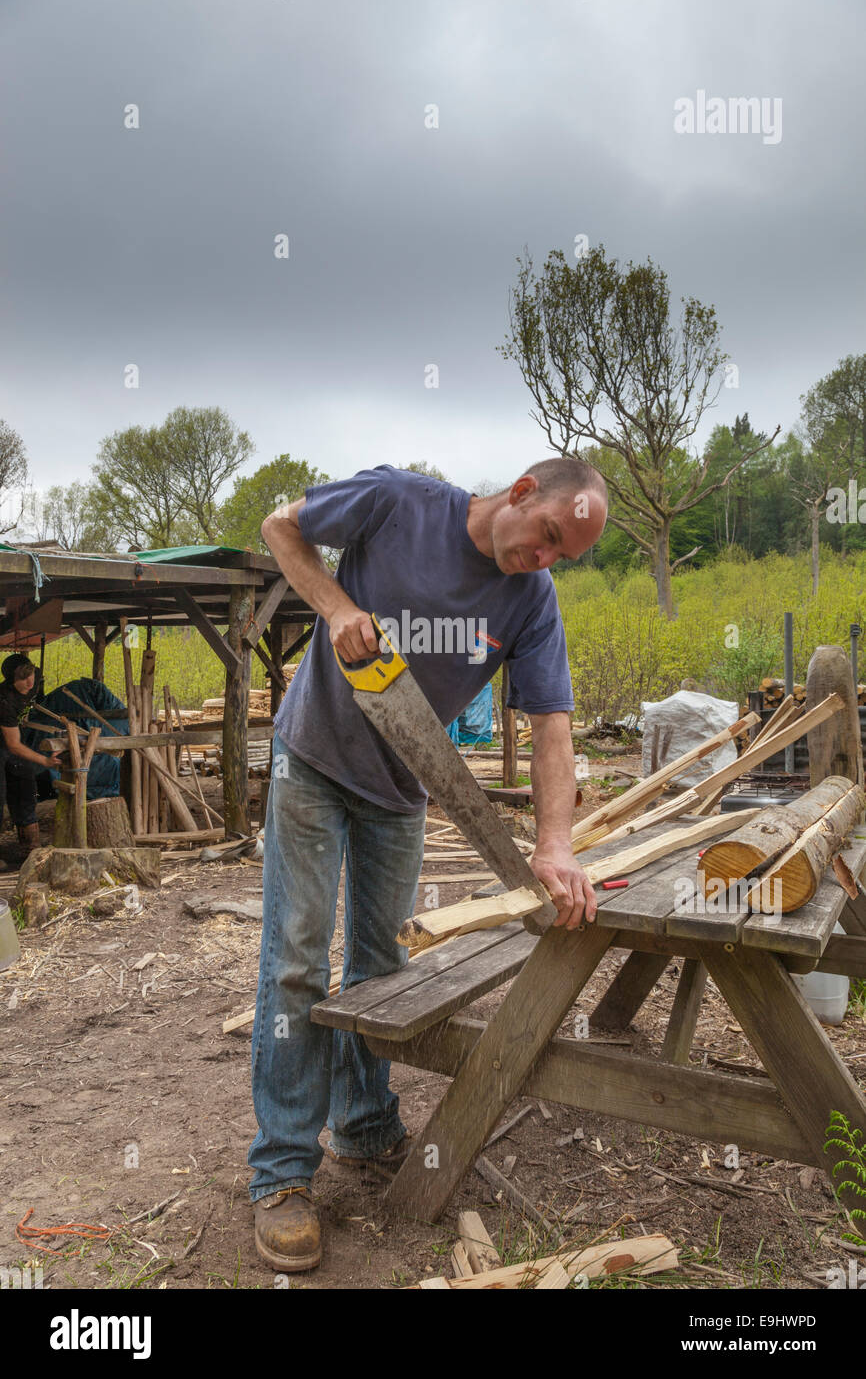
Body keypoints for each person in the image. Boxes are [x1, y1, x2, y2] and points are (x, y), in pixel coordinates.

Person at [250, 459, 607, 1271]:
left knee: (382, 969)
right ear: (522, 492)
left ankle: (366, 1129)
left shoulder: (532, 601)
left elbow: (553, 726)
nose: (544, 558)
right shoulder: (398, 501)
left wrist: (554, 846)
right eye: (548, 535)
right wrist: (336, 605)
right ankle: (280, 1174)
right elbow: (280, 527)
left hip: (402, 787)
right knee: (299, 962)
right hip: (311, 761)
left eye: (563, 556)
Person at [0, 654, 53, 857]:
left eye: (31, 676)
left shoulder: (35, 677)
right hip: (5, 741)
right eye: (23, 680)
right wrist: (45, 760)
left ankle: (30, 847)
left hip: (7, 739)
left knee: (26, 779)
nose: (30, 683)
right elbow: (14, 745)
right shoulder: (4, 700)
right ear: (12, 681)